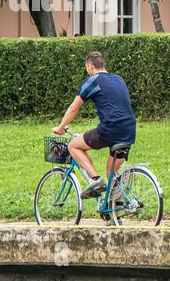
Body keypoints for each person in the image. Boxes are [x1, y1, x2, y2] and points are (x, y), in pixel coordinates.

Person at [54, 51, 137, 200]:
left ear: (90, 66)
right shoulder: (119, 79)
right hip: (129, 129)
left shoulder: (92, 80)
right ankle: (115, 215)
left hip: (111, 128)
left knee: (73, 145)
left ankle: (95, 180)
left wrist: (60, 128)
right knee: (112, 177)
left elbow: (74, 108)